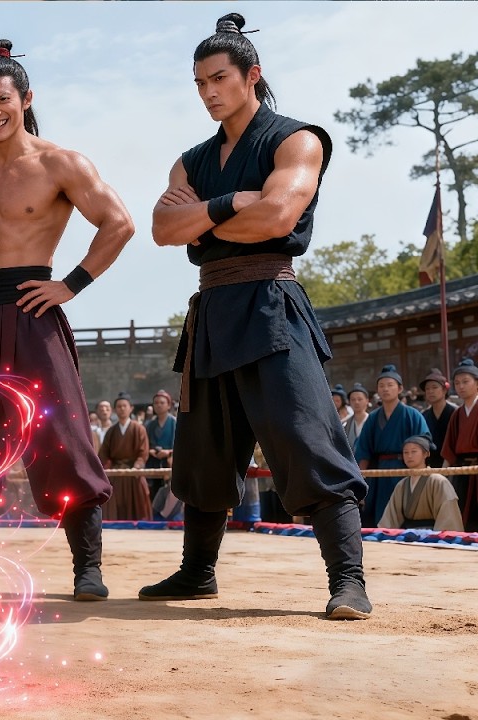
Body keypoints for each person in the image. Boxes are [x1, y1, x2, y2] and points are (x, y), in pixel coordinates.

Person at [142, 14, 371, 620]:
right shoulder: (191, 161)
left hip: (271, 302)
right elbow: (164, 229)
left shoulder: (296, 139)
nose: (209, 92)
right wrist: (228, 202)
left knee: (306, 436)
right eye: (199, 83)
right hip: (212, 307)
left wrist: (208, 221)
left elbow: (275, 219)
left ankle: (348, 579)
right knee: (203, 449)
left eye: (219, 78)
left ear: (252, 74)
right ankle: (197, 572)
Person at [0, 39, 134, 600]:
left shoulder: (61, 163)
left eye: (1, 100)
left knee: (61, 440)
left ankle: (87, 569)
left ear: (26, 97)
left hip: (35, 313)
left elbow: (118, 223)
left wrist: (70, 285)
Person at [354, 365, 429, 527]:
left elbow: (424, 440)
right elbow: (364, 449)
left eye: (390, 385)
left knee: (405, 509)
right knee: (380, 513)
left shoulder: (412, 414)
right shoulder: (373, 419)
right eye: (381, 386)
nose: (385, 389)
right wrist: (362, 479)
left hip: (406, 469)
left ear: (400, 388)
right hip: (380, 472)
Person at [378, 436, 464, 532]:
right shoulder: (402, 485)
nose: (409, 456)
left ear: (426, 454)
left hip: (432, 536)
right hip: (408, 536)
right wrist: (383, 533)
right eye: (406, 452)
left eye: (414, 451)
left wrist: (438, 538)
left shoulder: (438, 482)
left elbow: (448, 517)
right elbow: (390, 518)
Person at [98, 392, 151, 521]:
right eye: (119, 406)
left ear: (131, 408)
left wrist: (137, 466)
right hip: (116, 473)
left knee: (137, 505)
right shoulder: (111, 431)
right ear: (115, 410)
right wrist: (104, 468)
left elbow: (143, 452)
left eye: (124, 406)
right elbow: (104, 453)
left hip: (133, 473)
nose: (122, 409)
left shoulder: (139, 429)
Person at [440, 358, 478, 532]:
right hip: (461, 471)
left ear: (476, 383)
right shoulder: (457, 414)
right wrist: (443, 477)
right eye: (457, 383)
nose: (461, 386)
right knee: (463, 515)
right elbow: (449, 449)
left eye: (465, 381)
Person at [419, 369, 455, 468]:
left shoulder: (455, 412)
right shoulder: (424, 416)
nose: (430, 391)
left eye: (434, 387)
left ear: (444, 390)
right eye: (427, 389)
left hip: (453, 464)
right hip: (431, 464)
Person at [145, 389, 177, 497]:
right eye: (156, 403)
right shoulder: (150, 424)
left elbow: (182, 445)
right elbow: (145, 444)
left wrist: (169, 452)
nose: (158, 405)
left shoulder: (175, 423)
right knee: (154, 493)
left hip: (171, 461)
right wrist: (150, 450)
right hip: (153, 462)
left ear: (169, 405)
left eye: (162, 403)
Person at [343, 383, 371, 450]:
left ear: (367, 401)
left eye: (360, 399)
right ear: (349, 402)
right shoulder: (346, 423)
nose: (356, 402)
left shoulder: (372, 420)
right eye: (353, 400)